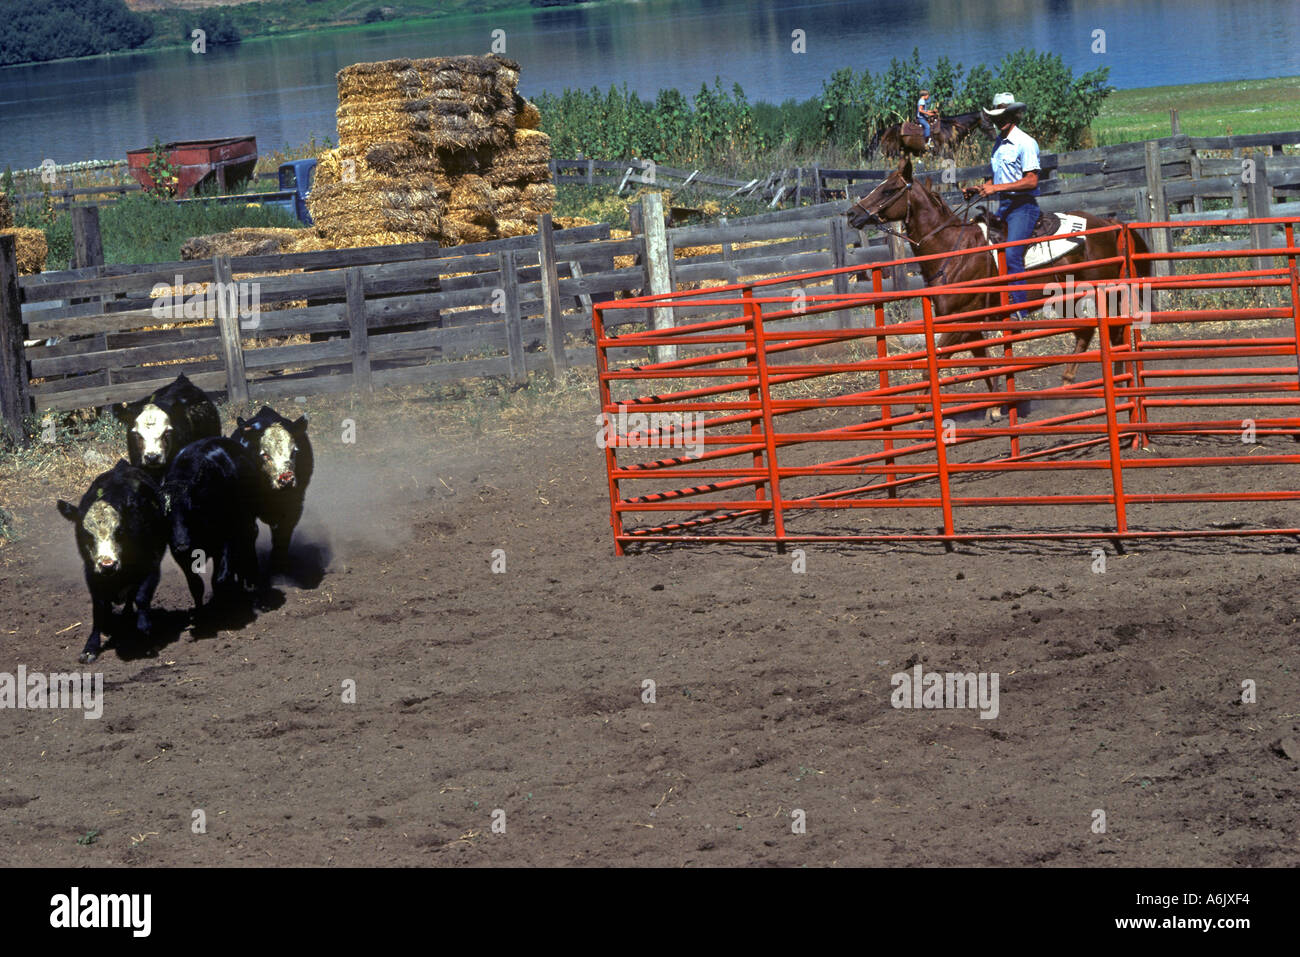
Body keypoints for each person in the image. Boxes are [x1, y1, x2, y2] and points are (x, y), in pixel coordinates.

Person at [963, 92, 1041, 313]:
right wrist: (979, 188)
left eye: (1005, 114)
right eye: (997, 116)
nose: (1000, 120)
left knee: (1012, 254)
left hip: (1023, 207)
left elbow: (1031, 180)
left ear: (1014, 115)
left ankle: (1021, 311)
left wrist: (995, 188)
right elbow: (996, 178)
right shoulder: (999, 144)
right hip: (1005, 206)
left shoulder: (1025, 143)